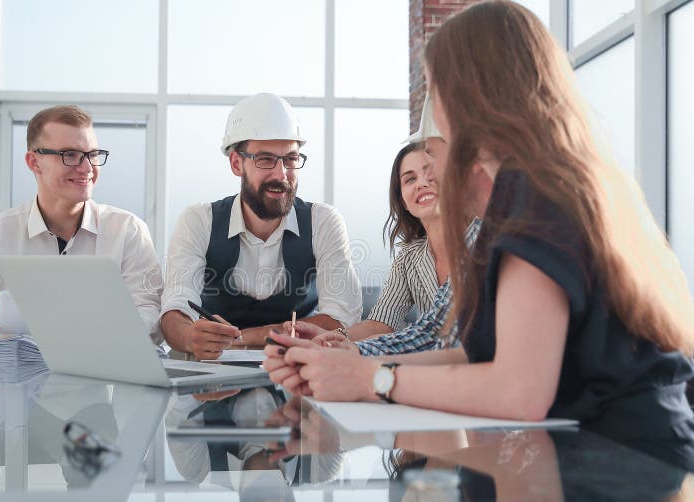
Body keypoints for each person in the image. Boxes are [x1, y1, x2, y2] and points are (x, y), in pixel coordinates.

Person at [263, 0, 694, 471]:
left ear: (470, 100)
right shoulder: (548, 190)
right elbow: (473, 360)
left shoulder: (538, 203)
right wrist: (340, 371)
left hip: (631, 476)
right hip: (613, 462)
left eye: (438, 93)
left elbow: (517, 390)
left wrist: (372, 379)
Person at [0, 105, 163, 347]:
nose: (88, 168)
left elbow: (150, 315)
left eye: (92, 154)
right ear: (34, 162)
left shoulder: (128, 230)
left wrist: (102, 329)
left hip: (105, 378)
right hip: (13, 380)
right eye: (70, 155)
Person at [160, 93, 362, 360]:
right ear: (236, 163)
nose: (281, 175)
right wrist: (189, 336)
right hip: (212, 376)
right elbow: (174, 312)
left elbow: (340, 318)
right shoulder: (199, 220)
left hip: (297, 371)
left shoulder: (323, 221)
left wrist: (244, 338)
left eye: (290, 159)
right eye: (265, 160)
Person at [288, 98, 484, 355]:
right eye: (410, 179)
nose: (422, 183)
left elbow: (433, 335)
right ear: (402, 199)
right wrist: (333, 339)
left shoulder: (484, 238)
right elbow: (384, 323)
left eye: (430, 171)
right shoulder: (409, 258)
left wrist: (352, 351)